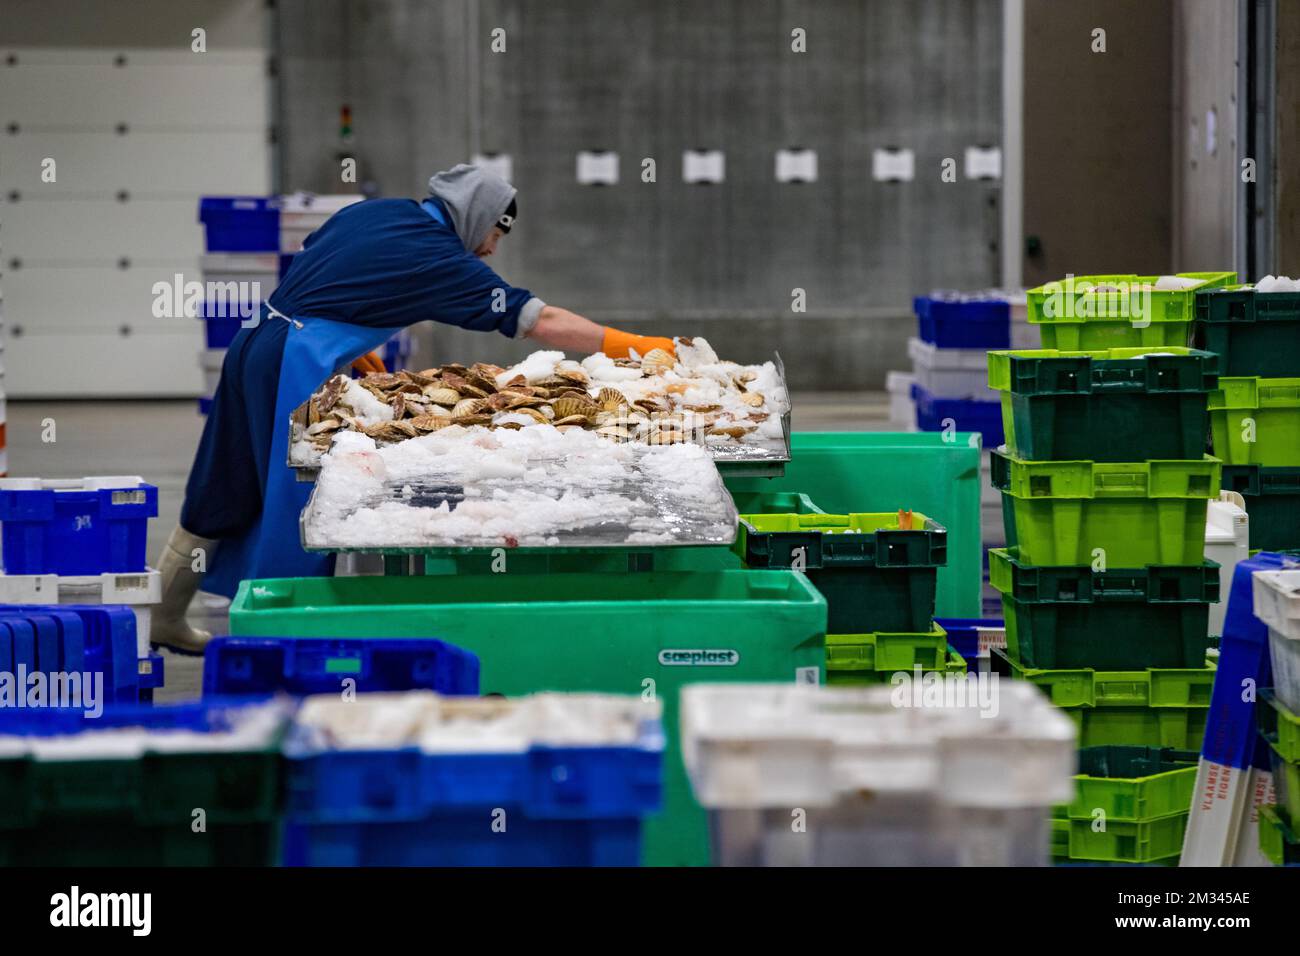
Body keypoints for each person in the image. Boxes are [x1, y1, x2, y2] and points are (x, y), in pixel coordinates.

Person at [153, 164, 675, 652]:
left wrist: (347, 340)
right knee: (302, 496)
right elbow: (537, 320)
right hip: (294, 363)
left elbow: (326, 262)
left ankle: (164, 616)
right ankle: (277, 639)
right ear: (475, 220)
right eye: (495, 233)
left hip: (256, 342)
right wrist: (633, 343)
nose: (491, 249)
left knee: (227, 478)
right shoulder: (440, 259)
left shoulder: (379, 211)